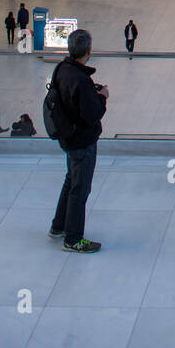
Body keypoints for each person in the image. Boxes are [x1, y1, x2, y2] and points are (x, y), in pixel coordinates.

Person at [48, 29, 108, 251]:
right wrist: (102, 98)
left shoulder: (62, 69)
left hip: (68, 138)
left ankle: (59, 226)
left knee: (71, 180)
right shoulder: (80, 79)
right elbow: (92, 114)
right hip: (82, 141)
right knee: (80, 188)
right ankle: (73, 239)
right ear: (88, 51)